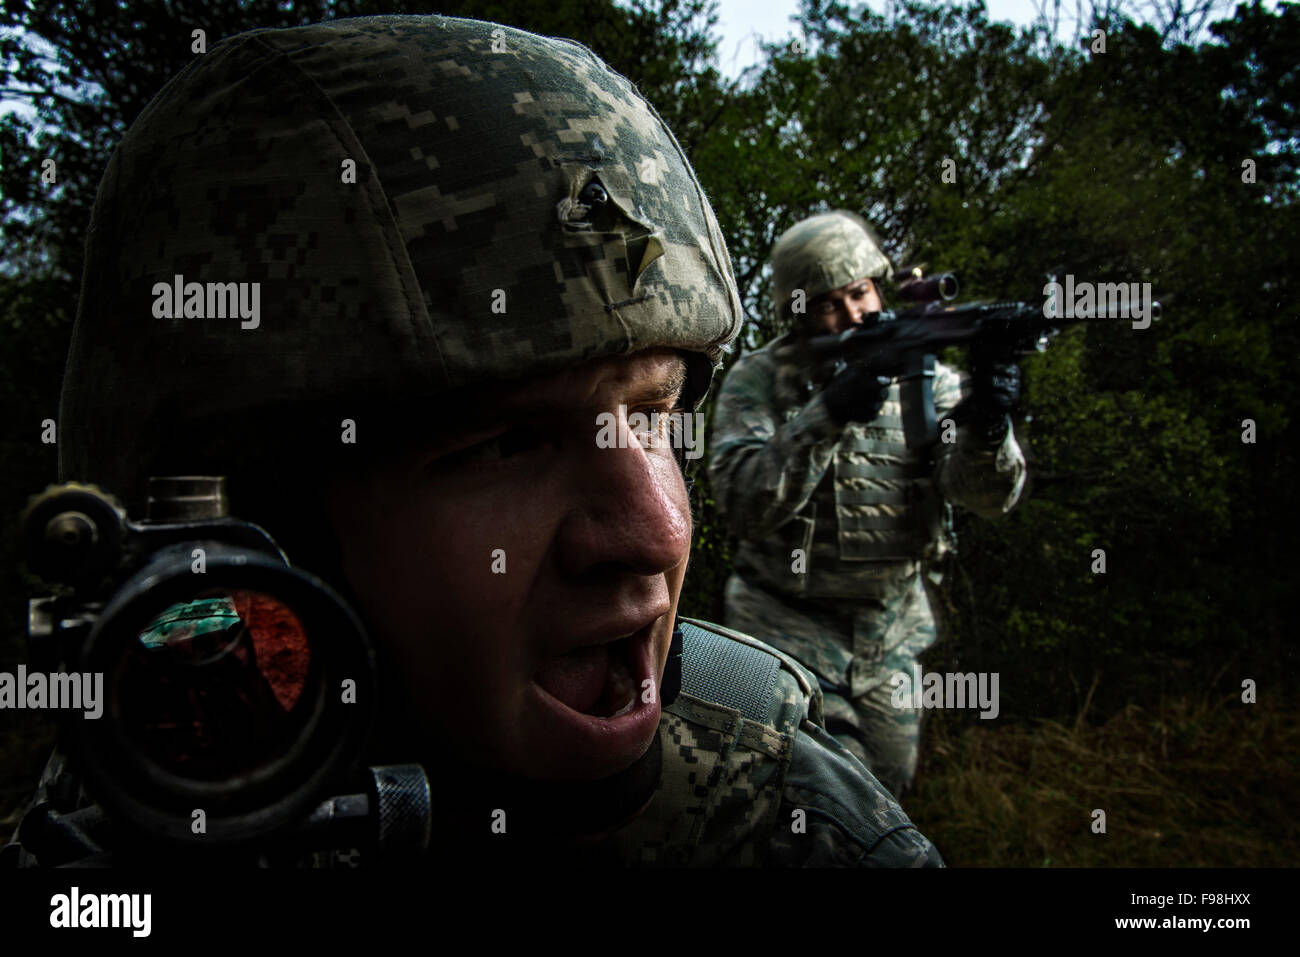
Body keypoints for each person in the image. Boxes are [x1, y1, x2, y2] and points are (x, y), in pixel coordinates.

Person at [9, 17, 941, 867]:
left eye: (652, 416)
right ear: (241, 535)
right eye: (504, 445)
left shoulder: (778, 817)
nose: (654, 532)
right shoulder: (105, 848)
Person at [708, 210, 1026, 796]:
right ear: (798, 313)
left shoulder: (929, 379)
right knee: (819, 801)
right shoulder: (760, 380)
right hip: (784, 631)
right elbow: (743, 503)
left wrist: (986, 424)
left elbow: (988, 497)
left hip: (890, 638)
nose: (855, 314)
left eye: (861, 293)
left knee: (889, 795)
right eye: (831, 303)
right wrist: (826, 413)